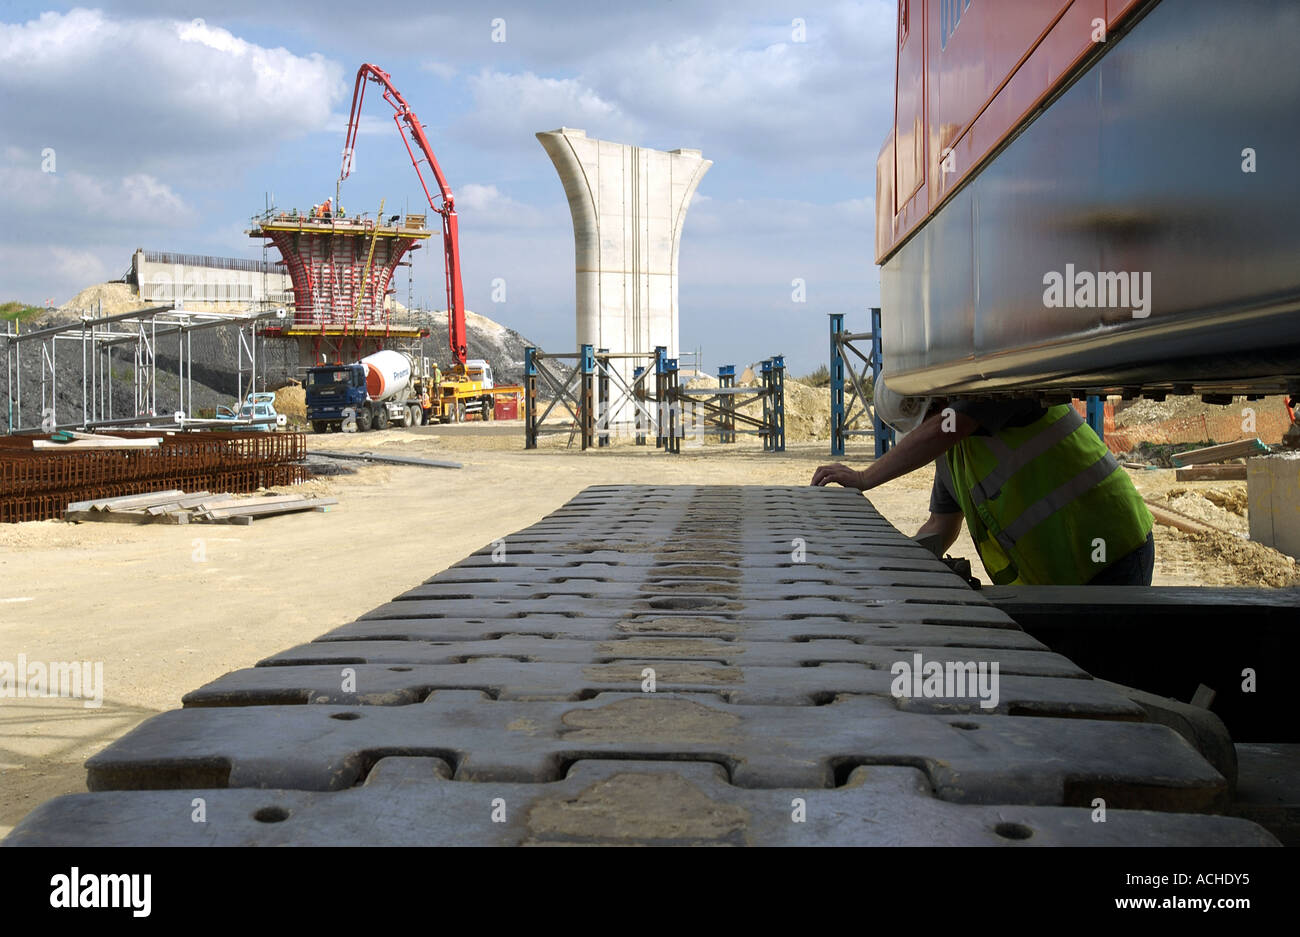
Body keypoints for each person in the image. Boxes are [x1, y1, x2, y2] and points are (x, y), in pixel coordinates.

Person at [811, 373, 1155, 586]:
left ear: (942, 398)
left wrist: (864, 477)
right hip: (1054, 577)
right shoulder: (953, 456)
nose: (931, 426)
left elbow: (949, 426)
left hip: (1110, 552)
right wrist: (893, 566)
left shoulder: (1000, 393)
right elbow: (940, 525)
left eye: (931, 416)